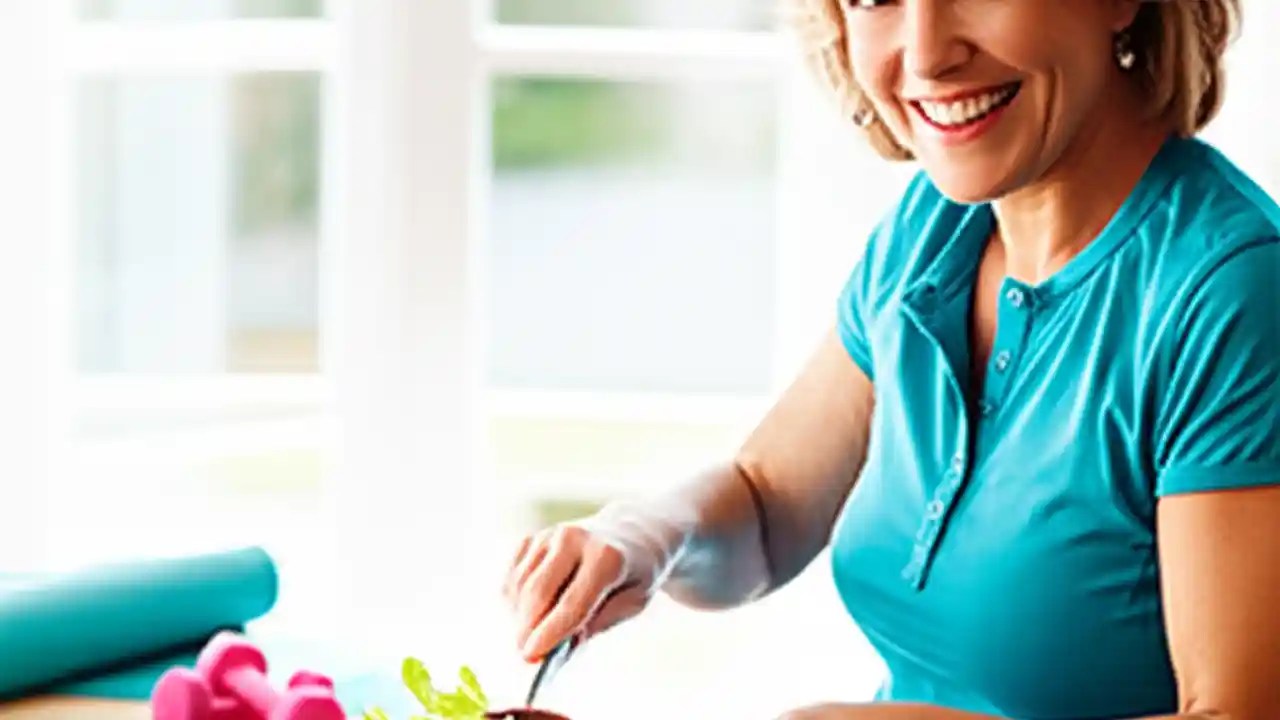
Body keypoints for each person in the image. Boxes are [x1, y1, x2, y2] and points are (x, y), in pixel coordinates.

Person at [502, 0, 1280, 718]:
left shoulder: (1231, 293)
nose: (929, 54)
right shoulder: (937, 228)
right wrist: (643, 535)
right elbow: (769, 506)